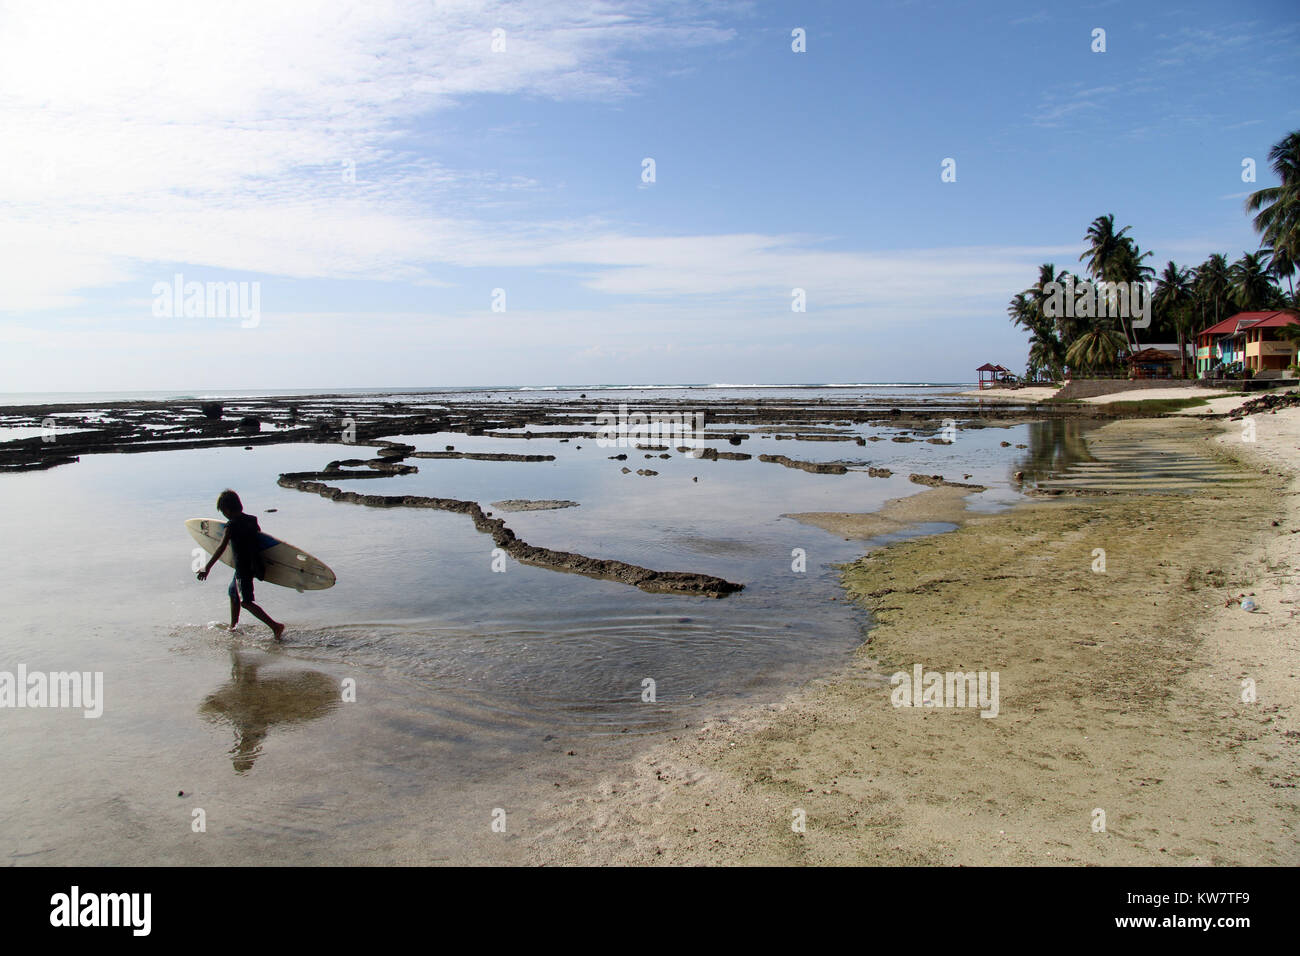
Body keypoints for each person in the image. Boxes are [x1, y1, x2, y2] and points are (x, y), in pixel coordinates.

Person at [197, 489, 285, 640]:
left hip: (243, 568)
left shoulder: (231, 526)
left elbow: (221, 547)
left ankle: (275, 626)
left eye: (223, 512)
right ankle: (233, 627)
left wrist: (207, 567)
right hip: (254, 563)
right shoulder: (252, 520)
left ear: (227, 510)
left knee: (246, 602)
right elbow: (260, 539)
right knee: (233, 592)